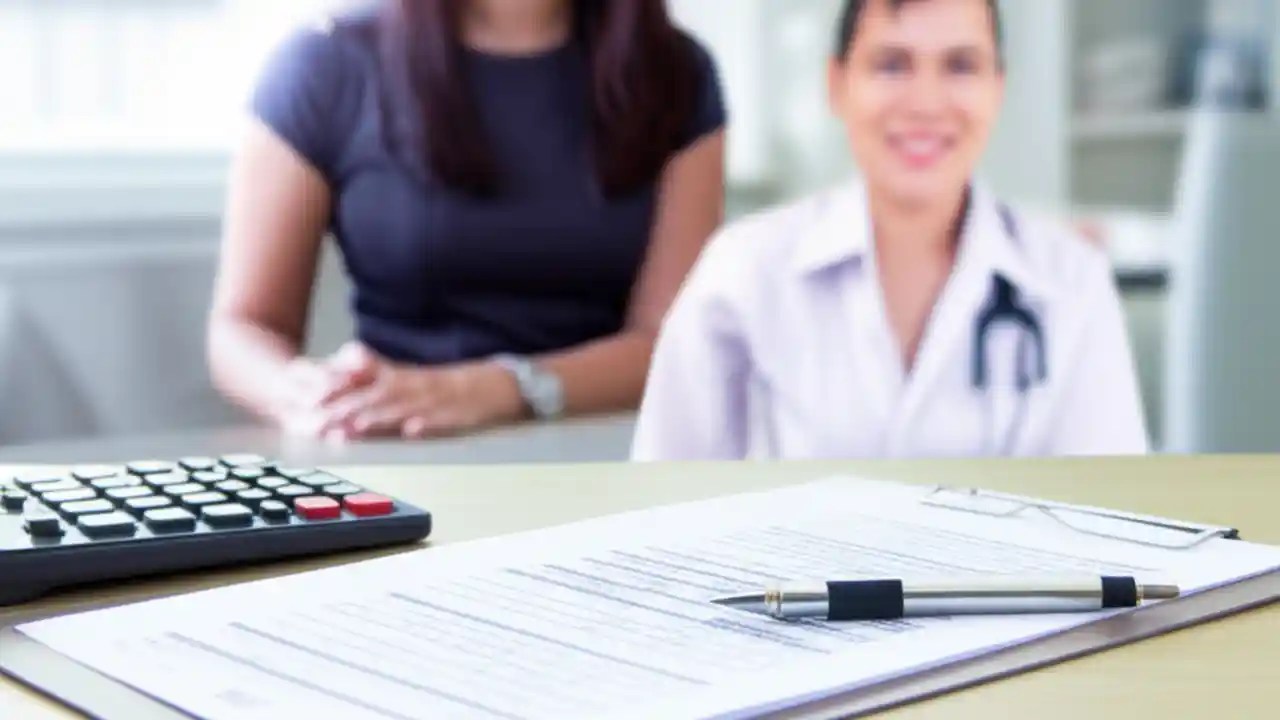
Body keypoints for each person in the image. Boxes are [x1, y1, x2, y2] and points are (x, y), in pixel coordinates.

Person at [631, 0, 1149, 460]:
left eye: (961, 66)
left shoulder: (1071, 280)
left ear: (998, 87)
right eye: (891, 64)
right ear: (837, 85)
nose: (925, 102)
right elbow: (662, 497)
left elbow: (1114, 514)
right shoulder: (745, 269)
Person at [208, 0, 726, 441]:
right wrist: (305, 392)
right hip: (398, 443)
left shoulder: (677, 73)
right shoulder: (324, 64)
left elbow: (668, 340)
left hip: (608, 442)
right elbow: (243, 328)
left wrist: (499, 388)